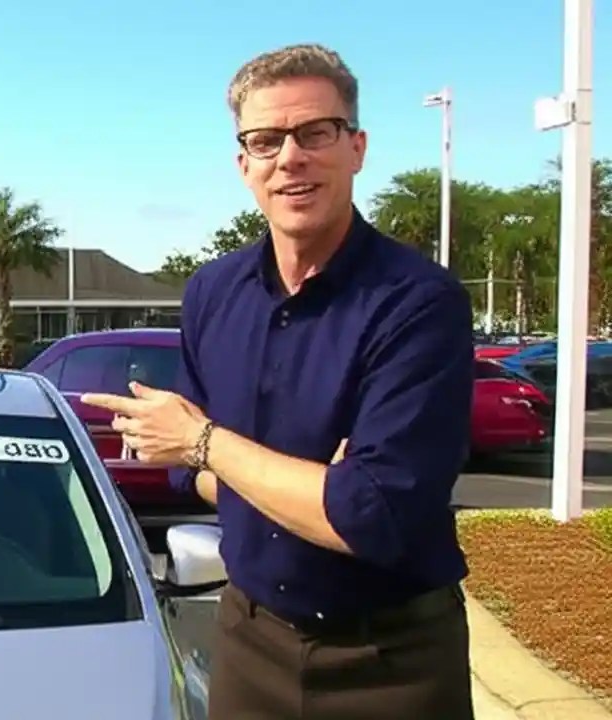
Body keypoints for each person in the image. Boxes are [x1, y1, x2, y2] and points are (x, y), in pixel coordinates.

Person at [81, 43, 476, 719]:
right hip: (250, 641)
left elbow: (371, 517)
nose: (290, 157)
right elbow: (186, 477)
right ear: (245, 165)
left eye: (315, 133)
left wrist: (209, 443)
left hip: (392, 661)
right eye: (266, 140)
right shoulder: (212, 292)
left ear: (357, 147)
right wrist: (311, 484)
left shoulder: (418, 302)